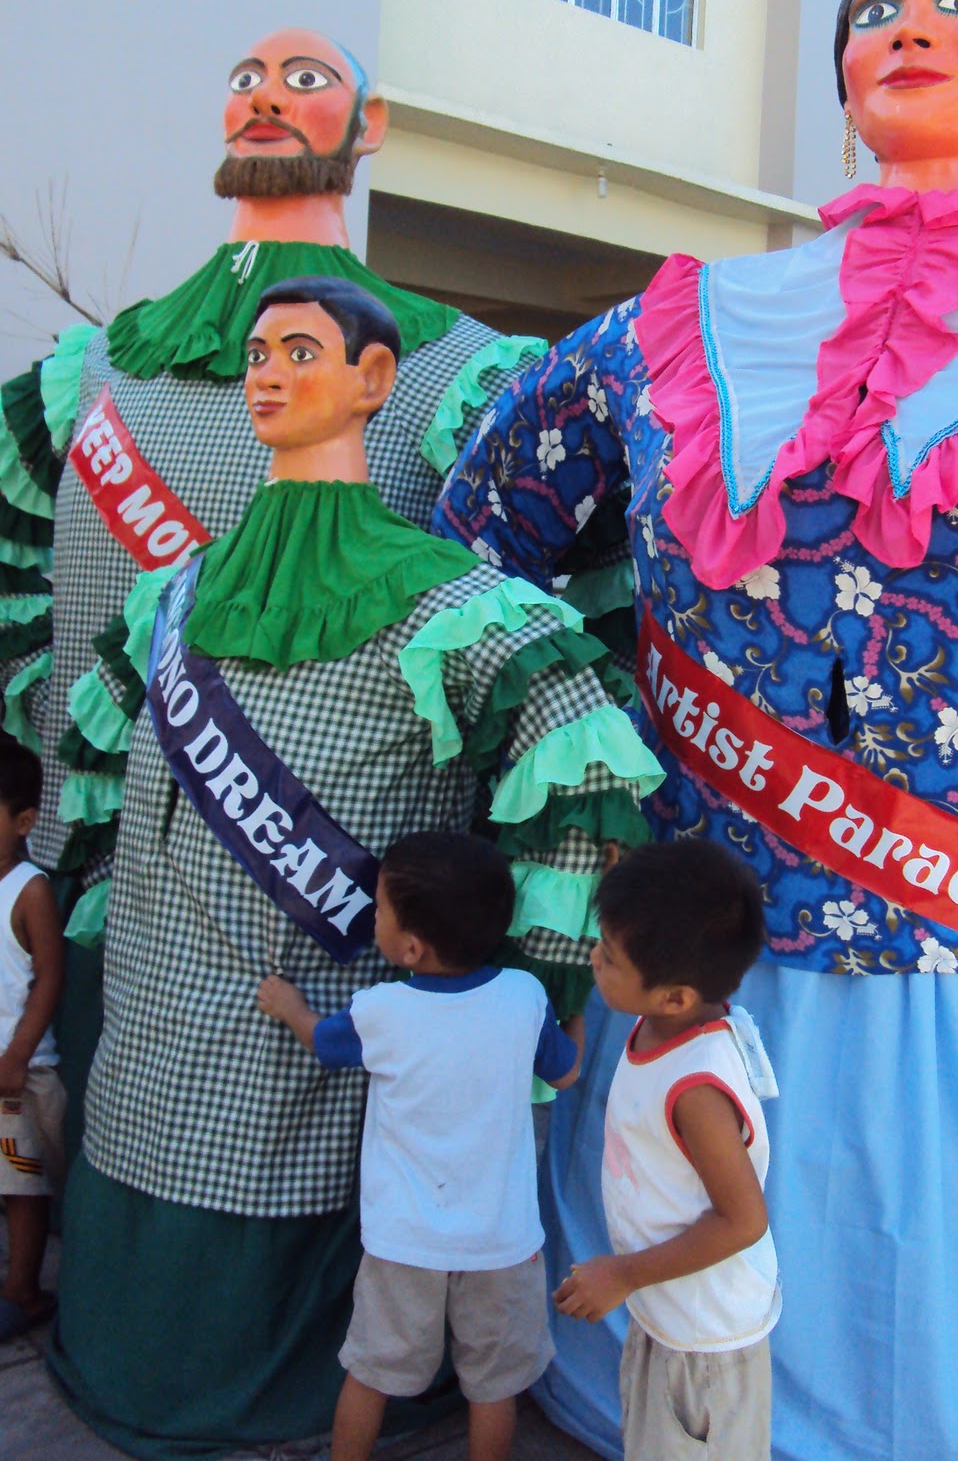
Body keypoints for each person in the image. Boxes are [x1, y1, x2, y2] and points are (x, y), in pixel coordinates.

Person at [435, 0, 958, 1461]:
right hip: (709, 979)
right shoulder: (671, 327)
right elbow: (471, 554)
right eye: (876, 7)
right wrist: (572, 778)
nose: (908, 27)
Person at [49, 276, 661, 1457]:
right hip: (155, 1041)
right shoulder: (176, 591)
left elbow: (582, 776)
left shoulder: (450, 601)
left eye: (301, 351)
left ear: (374, 383)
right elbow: (101, 772)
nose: (268, 374)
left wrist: (539, 987)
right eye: (257, 356)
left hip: (352, 1103)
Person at [0, 24, 549, 1024]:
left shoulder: (458, 375)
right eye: (245, 79)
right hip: (96, 895)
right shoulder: (90, 373)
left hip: (321, 917)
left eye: (304, 79)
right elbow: (26, 590)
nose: (266, 98)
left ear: (367, 124)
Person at [259, 830, 582, 1461]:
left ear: (410, 945)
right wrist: (577, 1012)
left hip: (404, 1241)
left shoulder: (381, 1010)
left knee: (372, 1372)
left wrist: (289, 1005)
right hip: (503, 1244)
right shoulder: (524, 997)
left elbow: (324, 1044)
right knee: (493, 1389)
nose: (372, 916)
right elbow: (565, 1072)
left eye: (378, 909)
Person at [553, 839, 779, 1461]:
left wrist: (622, 1274)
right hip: (665, 1311)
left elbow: (744, 1219)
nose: (594, 957)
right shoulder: (662, 1018)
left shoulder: (697, 1091)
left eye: (611, 956)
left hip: (704, 1347)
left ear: (676, 996)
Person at [0, 738, 64, 1341]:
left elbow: (50, 974)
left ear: (24, 821)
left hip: (16, 1072)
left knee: (19, 1182)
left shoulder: (29, 889)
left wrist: (19, 1053)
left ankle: (22, 1287)